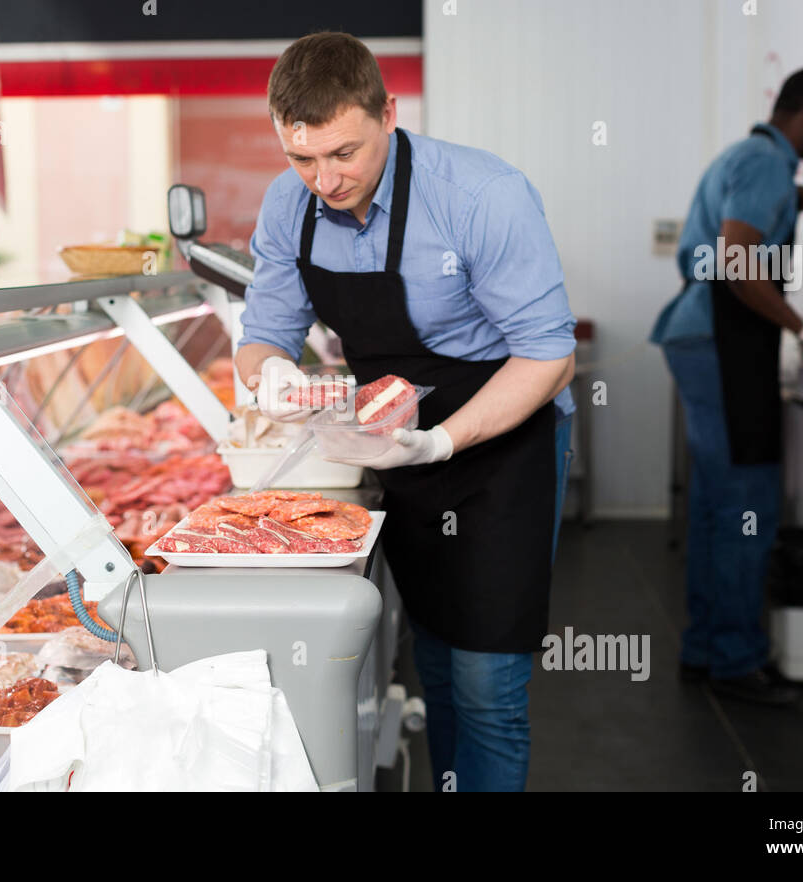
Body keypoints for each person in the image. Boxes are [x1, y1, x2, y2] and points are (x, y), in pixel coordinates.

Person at [233, 32, 576, 791]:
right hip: (396, 443)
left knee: (488, 679)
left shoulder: (482, 195)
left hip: (503, 437)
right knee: (435, 661)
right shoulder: (290, 205)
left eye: (344, 154)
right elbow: (261, 336)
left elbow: (550, 354)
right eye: (302, 158)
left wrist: (443, 441)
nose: (325, 180)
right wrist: (272, 379)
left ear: (389, 113)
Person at [650, 66, 803, 706]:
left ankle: (707, 649)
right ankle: (736, 661)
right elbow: (739, 259)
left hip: (702, 336)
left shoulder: (753, 157)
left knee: (716, 503)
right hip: (724, 340)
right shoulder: (764, 165)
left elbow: (773, 203)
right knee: (749, 502)